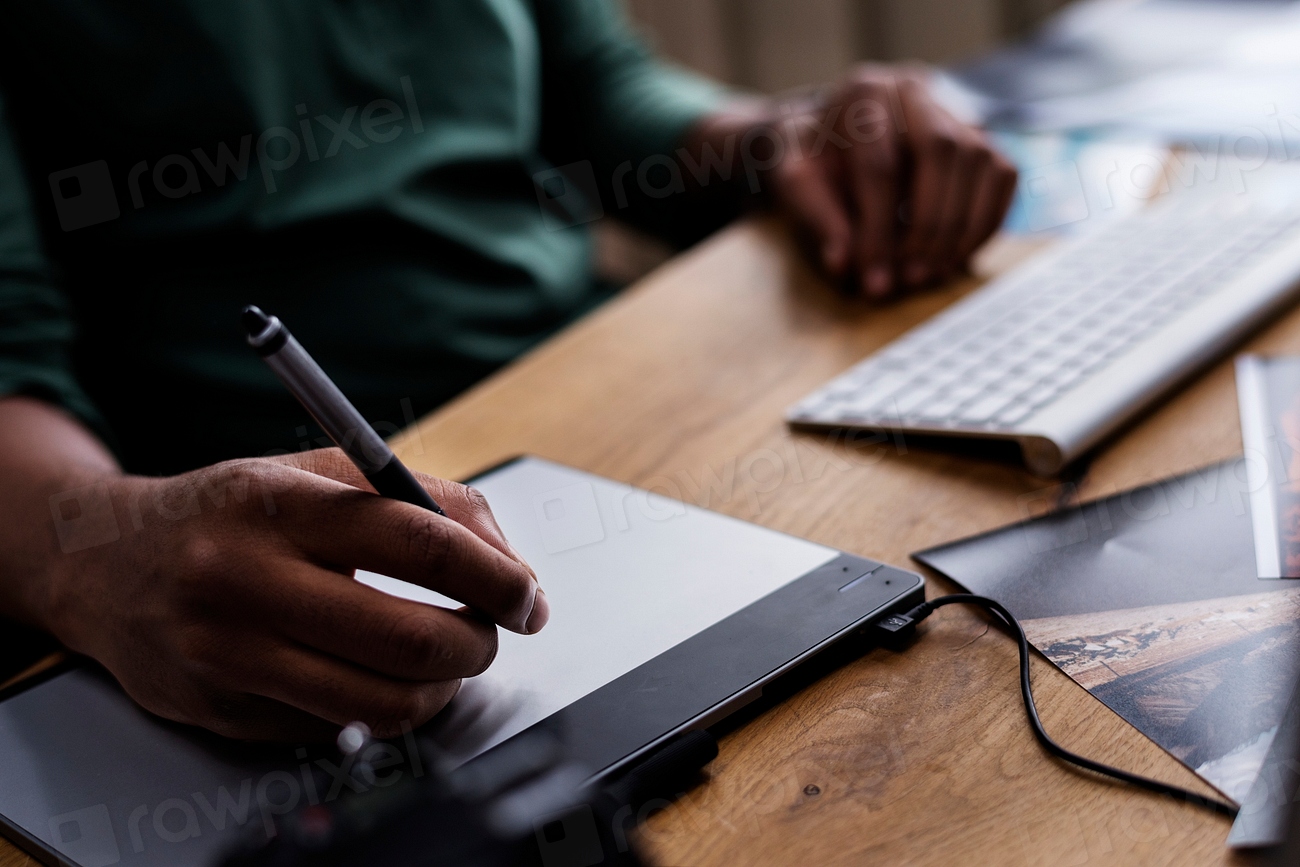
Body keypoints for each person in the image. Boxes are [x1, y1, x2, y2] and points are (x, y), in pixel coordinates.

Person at [0, 1, 1016, 740]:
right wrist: (83, 559)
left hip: (612, 425)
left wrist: (793, 138)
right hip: (298, 564)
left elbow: (607, 95)